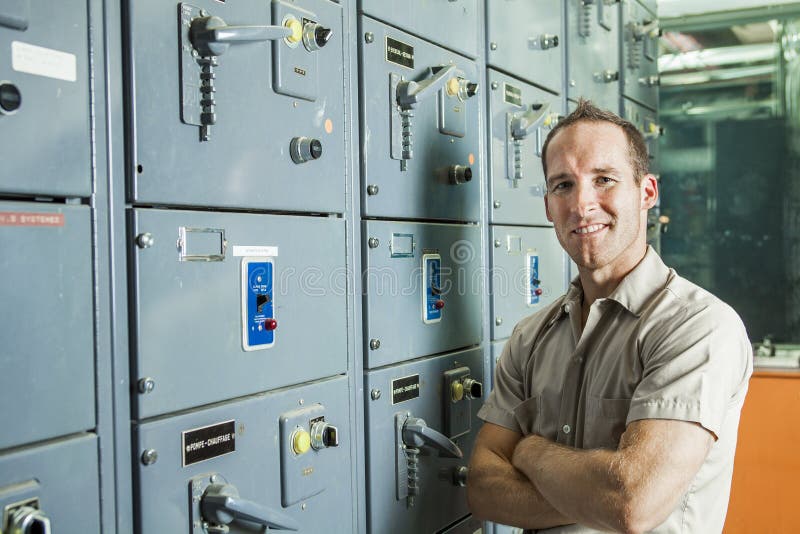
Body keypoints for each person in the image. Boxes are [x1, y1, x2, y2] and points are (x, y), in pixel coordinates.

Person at [467, 100, 753, 533]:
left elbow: (631, 502)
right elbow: (483, 489)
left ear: (647, 193)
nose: (582, 204)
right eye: (563, 185)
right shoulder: (530, 338)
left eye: (604, 179)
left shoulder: (699, 328)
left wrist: (529, 452)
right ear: (547, 206)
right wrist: (593, 489)